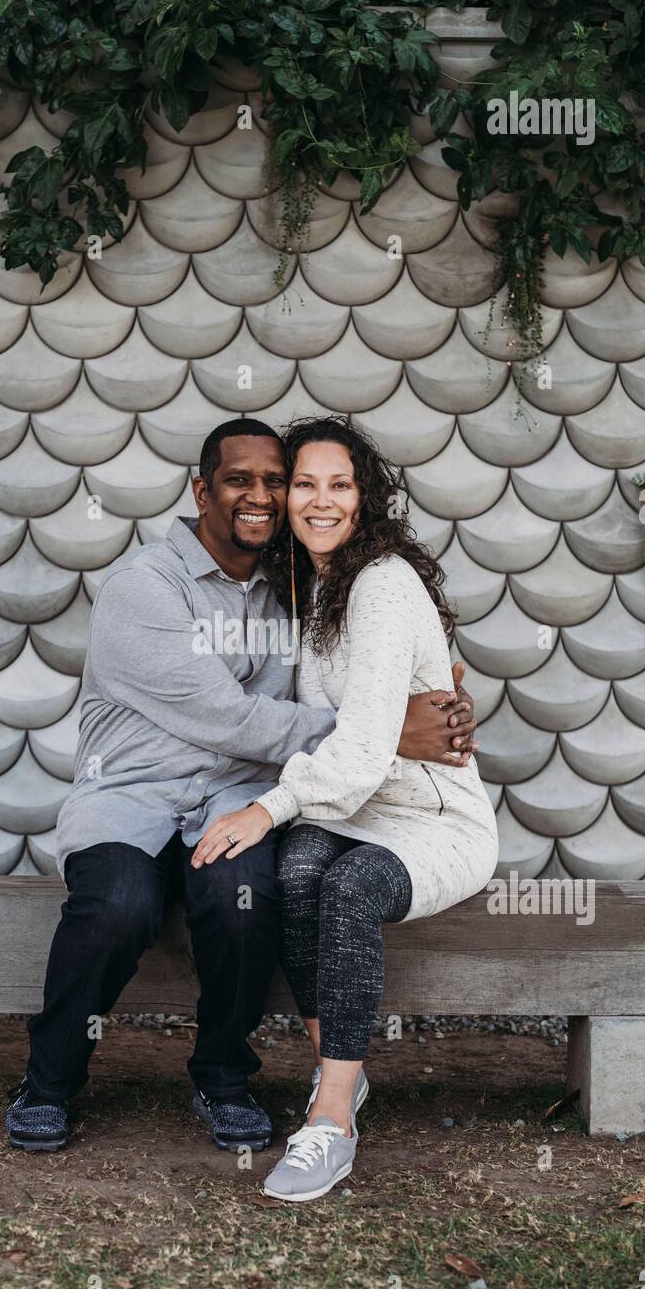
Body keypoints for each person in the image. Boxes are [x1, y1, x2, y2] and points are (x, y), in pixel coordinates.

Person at [6, 417, 479, 1153]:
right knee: (117, 906)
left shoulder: (290, 588)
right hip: (132, 796)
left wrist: (433, 694)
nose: (260, 496)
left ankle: (223, 1076)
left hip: (234, 804)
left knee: (242, 905)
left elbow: (362, 666)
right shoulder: (143, 589)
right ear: (202, 490)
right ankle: (48, 1081)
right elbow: (225, 715)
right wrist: (388, 733)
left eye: (274, 481)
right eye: (238, 480)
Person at [191, 415, 499, 1200]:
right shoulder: (310, 582)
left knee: (346, 885)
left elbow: (361, 747)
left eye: (339, 485)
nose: (319, 501)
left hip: (433, 824)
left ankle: (329, 1116)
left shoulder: (380, 582)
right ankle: (346, 1065)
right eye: (304, 484)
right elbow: (351, 727)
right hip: (349, 811)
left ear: (364, 498)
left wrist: (266, 808)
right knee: (296, 871)